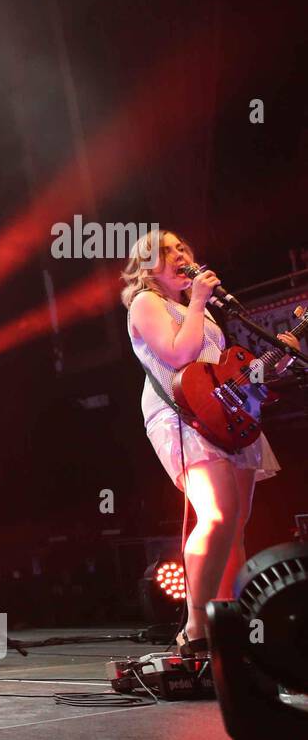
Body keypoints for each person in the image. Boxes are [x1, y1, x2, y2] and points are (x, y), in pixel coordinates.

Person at [122, 229, 300, 654]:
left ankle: (230, 618)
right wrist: (199, 300)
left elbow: (225, 377)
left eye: (185, 248)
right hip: (180, 414)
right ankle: (196, 624)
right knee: (217, 515)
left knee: (235, 524)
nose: (182, 255)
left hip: (223, 415)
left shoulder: (204, 314)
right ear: (150, 265)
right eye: (170, 251)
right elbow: (179, 357)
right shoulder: (148, 303)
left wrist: (278, 361)